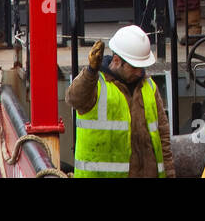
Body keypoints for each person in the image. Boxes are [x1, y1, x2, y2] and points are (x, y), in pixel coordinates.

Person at [66, 25, 174, 178]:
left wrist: (170, 174)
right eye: (135, 67)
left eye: (142, 67)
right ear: (117, 61)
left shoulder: (149, 87)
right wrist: (90, 73)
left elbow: (163, 136)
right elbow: (74, 99)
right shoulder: (96, 84)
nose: (139, 72)